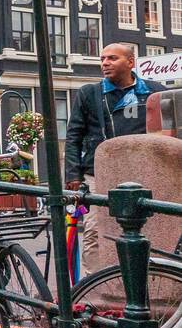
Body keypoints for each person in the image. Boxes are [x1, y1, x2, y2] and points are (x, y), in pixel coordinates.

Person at [65, 43, 165, 267]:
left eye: (112, 58)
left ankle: (145, 279)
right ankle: (95, 289)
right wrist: (73, 176)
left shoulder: (154, 92)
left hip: (143, 172)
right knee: (94, 229)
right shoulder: (89, 93)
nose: (105, 63)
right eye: (102, 59)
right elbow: (74, 136)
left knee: (149, 227)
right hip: (98, 172)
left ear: (130, 62)